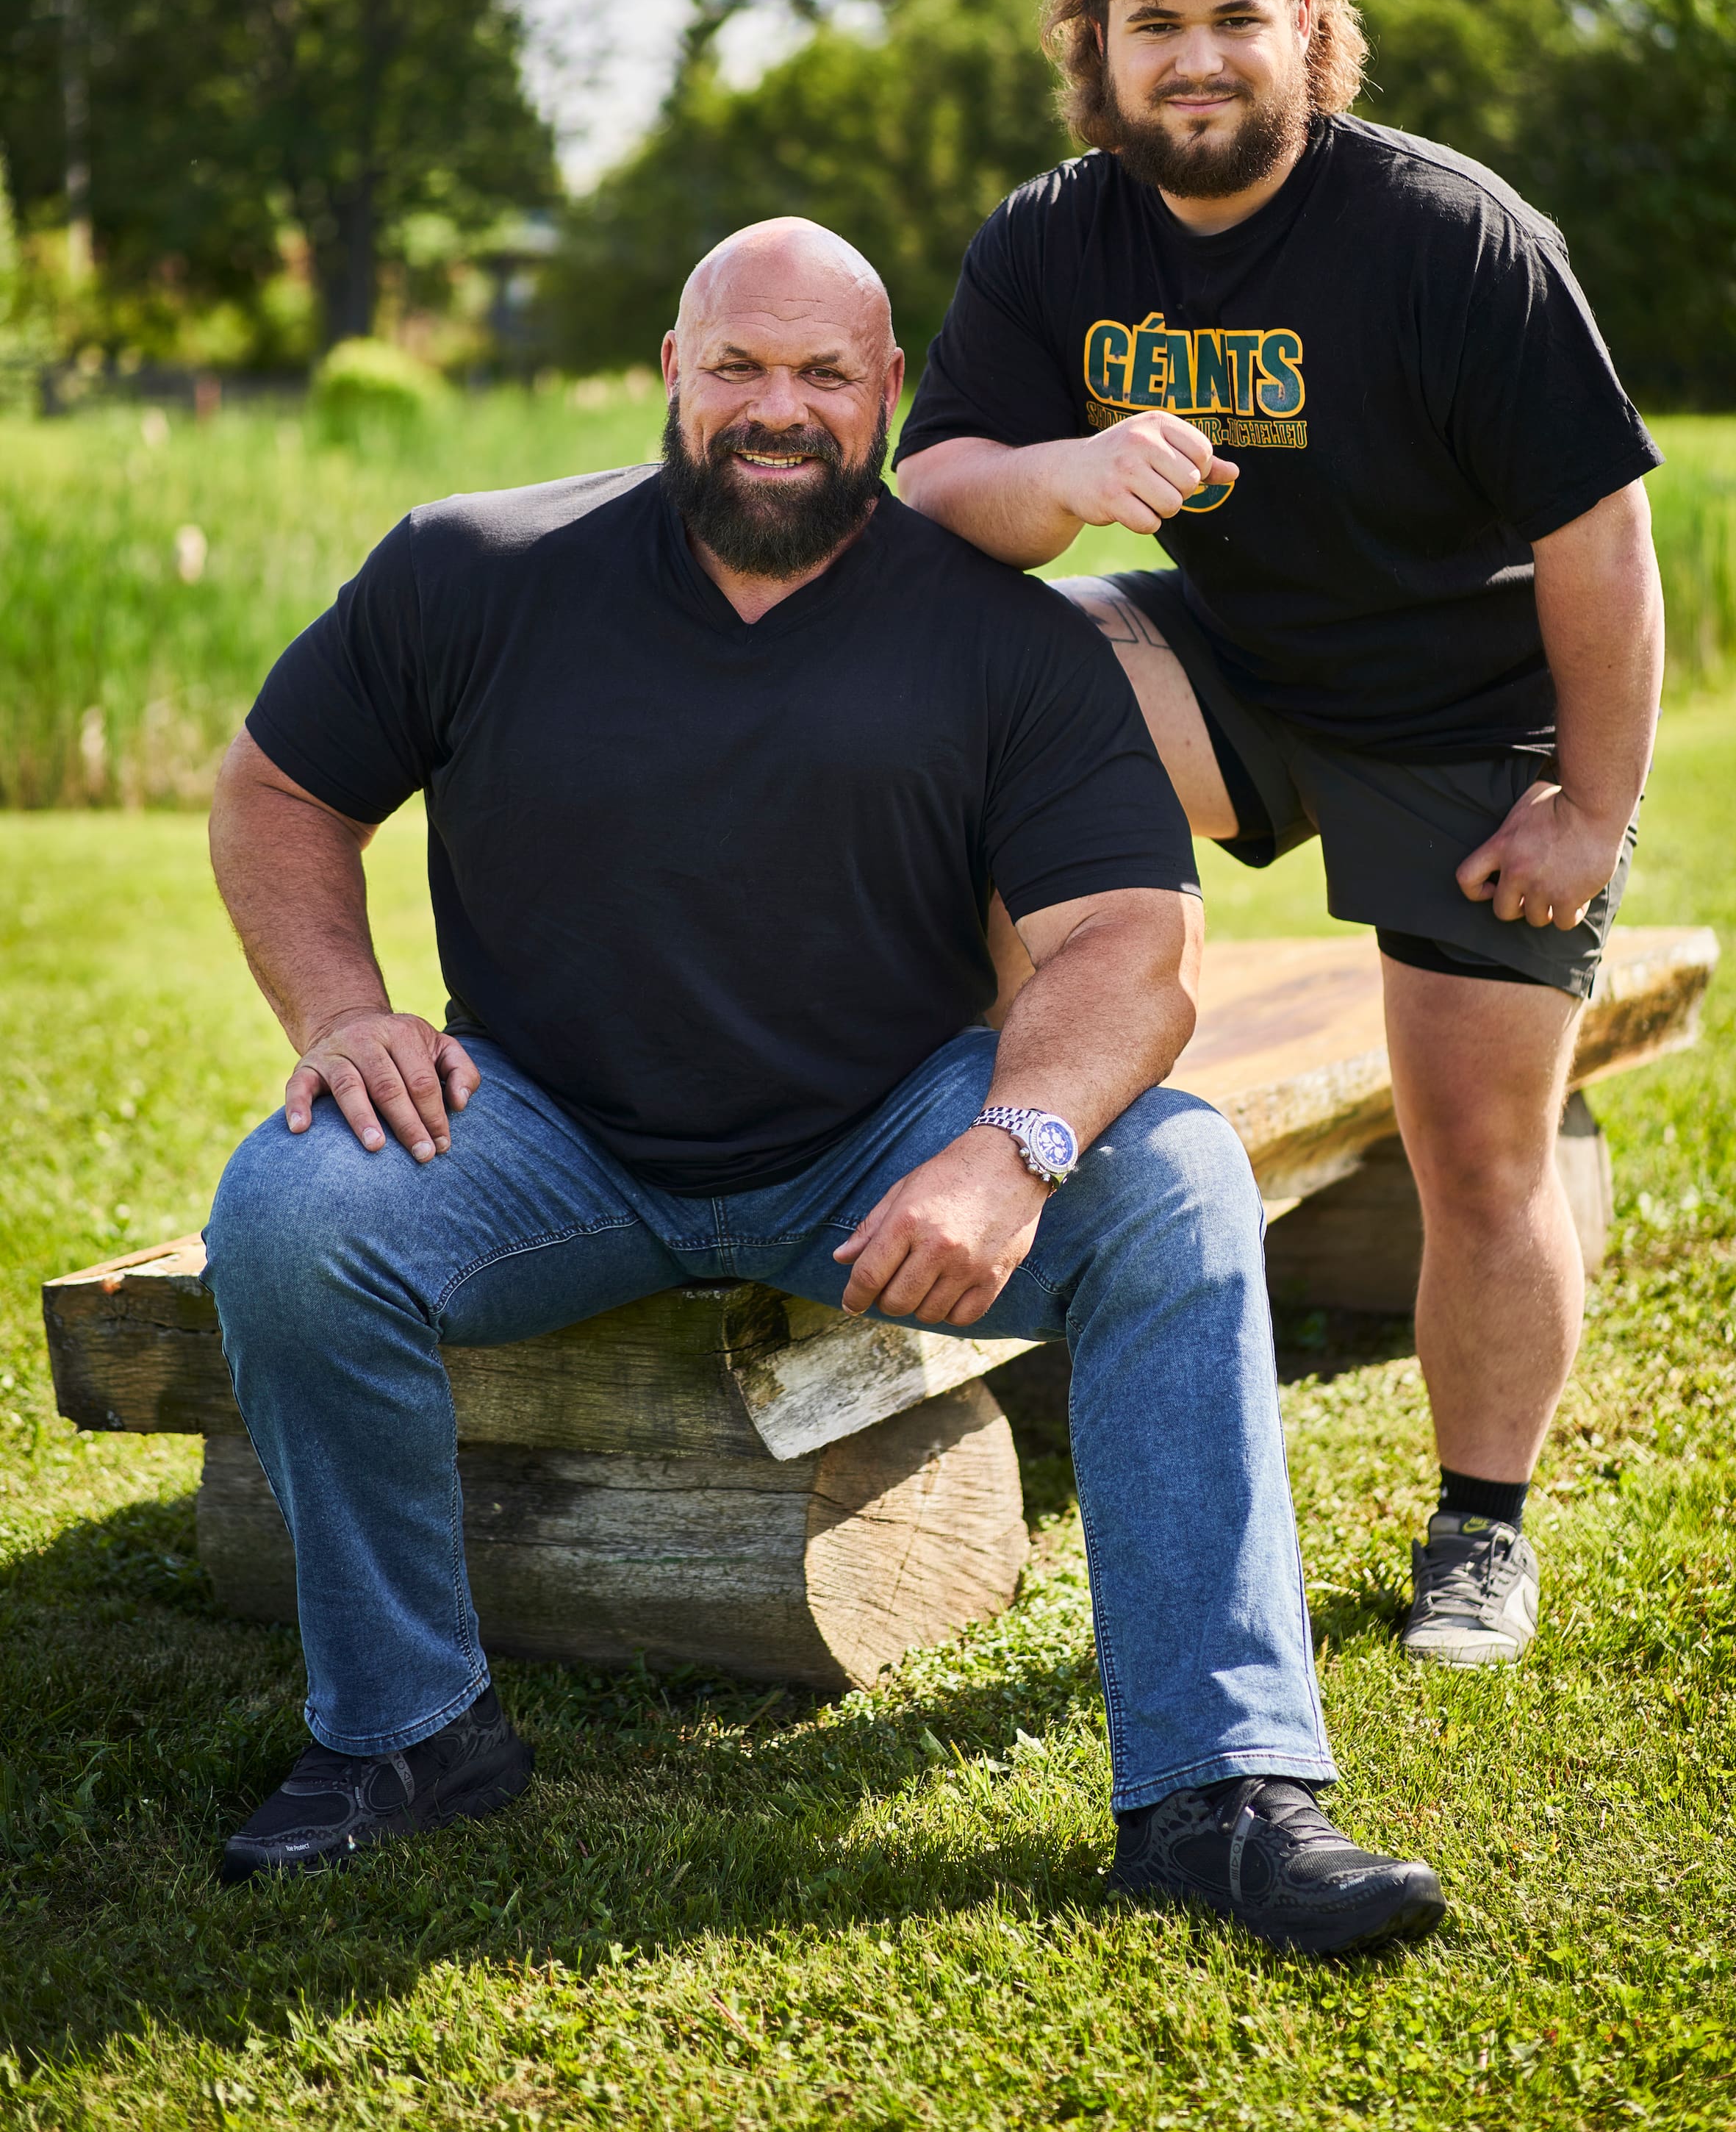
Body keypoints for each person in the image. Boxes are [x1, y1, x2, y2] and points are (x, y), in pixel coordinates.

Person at [201, 216, 1443, 1954]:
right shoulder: (470, 568)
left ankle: (1215, 1787)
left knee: (1172, 1178)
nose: (774, 410)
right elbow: (274, 793)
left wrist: (1007, 1151)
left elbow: (1119, 950)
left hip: (882, 1132)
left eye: (821, 375)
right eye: (737, 367)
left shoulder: (1005, 639)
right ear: (670, 371)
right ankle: (409, 1733)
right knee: (291, 1208)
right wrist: (341, 1010)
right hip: (547, 1127)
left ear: (885, 396)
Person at [894, 0, 1665, 1673]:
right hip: (1227, 668)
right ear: (1092, 47)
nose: (1195, 56)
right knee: (981, 667)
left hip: (1466, 723)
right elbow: (935, 490)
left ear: (1304, 22)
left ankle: (1478, 1529)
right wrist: (1071, 472)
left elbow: (1602, 546)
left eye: (1235, 12)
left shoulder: (1449, 236)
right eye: (1151, 21)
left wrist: (1587, 804)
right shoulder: (1054, 239)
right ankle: (991, 1131)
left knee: (1474, 1145)